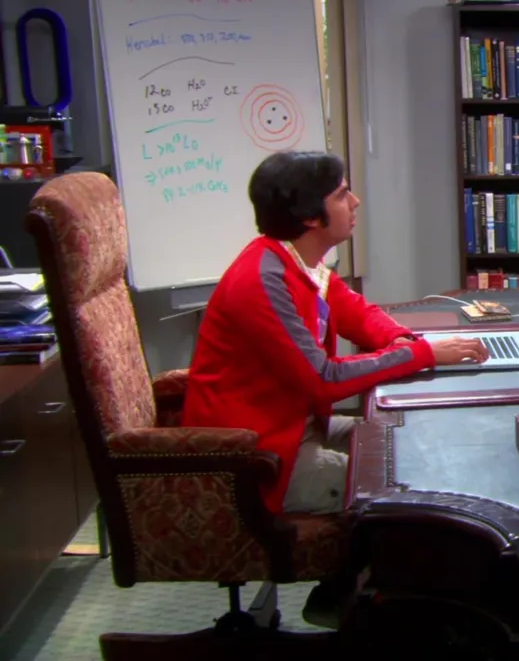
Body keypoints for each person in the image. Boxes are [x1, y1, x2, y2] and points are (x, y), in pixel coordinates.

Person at [182, 151, 490, 624]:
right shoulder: (262, 281)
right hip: (261, 457)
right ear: (310, 216)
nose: (356, 201)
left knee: (416, 448)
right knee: (412, 493)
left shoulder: (298, 263)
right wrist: (422, 354)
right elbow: (323, 379)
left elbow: (355, 312)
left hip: (295, 429)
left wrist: (403, 340)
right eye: (343, 194)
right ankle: (367, 611)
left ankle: (348, 591)